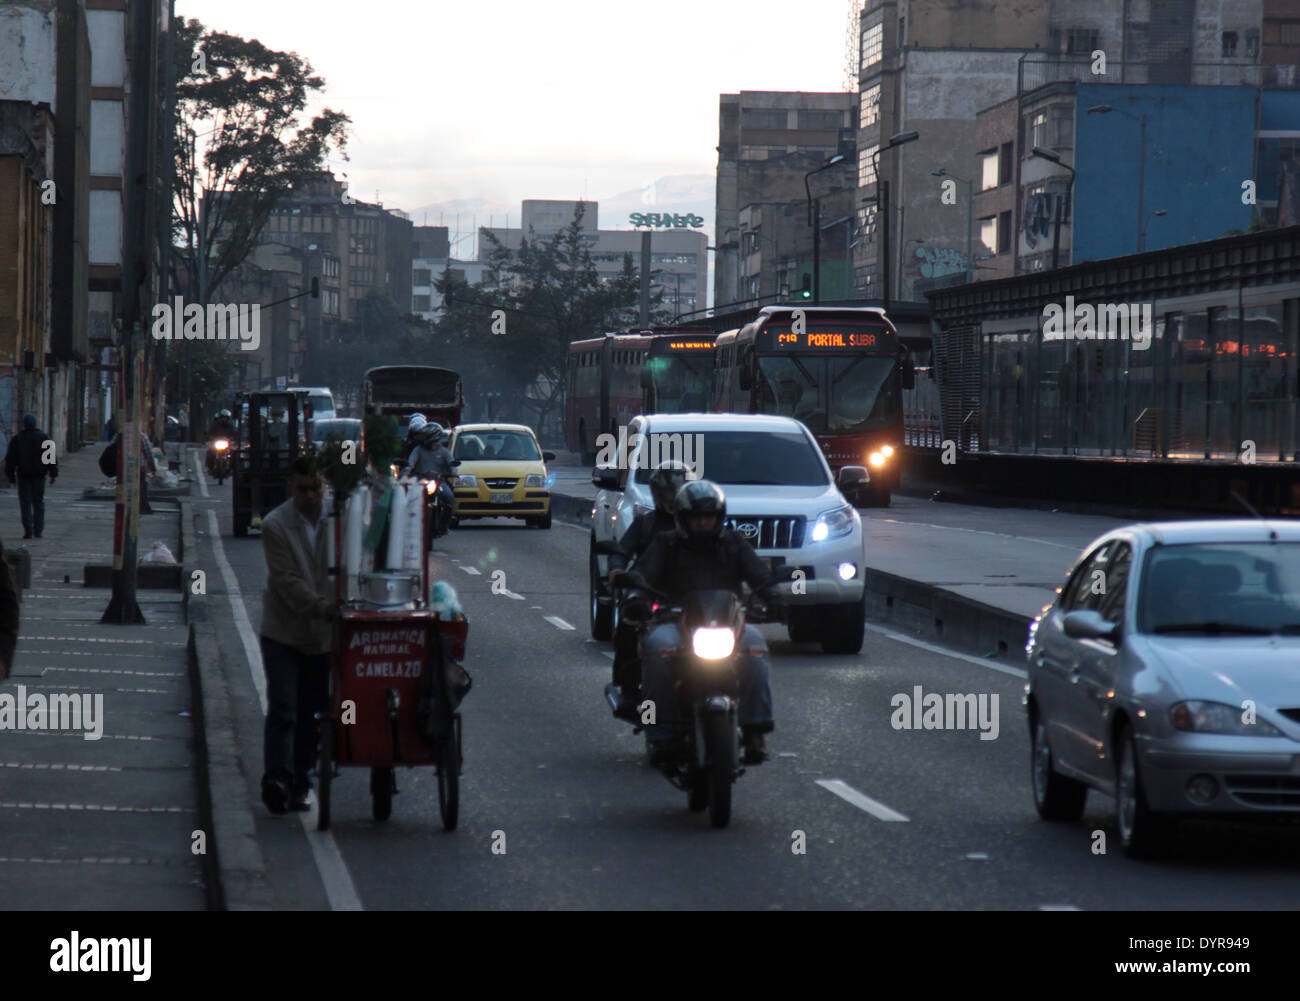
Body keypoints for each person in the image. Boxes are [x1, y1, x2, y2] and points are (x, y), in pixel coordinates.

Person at [634, 479, 779, 765]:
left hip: (727, 625)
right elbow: (644, 574)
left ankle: (755, 729)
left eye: (709, 517)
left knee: (756, 648)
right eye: (696, 517)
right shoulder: (667, 543)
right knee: (656, 648)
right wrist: (635, 595)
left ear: (719, 517)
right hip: (676, 622)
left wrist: (775, 598)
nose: (703, 523)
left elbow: (759, 575)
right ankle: (659, 732)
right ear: (683, 518)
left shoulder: (733, 543)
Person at [259, 456, 335, 814]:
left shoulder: (339, 516)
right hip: (283, 632)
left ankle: (300, 782)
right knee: (285, 706)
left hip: (322, 637)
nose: (310, 495)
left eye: (315, 488)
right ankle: (277, 779)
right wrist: (324, 606)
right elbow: (286, 582)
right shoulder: (275, 524)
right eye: (302, 489)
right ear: (292, 487)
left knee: (313, 712)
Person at [606, 460, 691, 719]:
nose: (673, 498)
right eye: (668, 492)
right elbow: (622, 550)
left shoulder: (701, 523)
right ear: (657, 493)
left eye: (679, 491)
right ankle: (630, 689)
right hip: (651, 589)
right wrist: (618, 569)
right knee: (630, 618)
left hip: (695, 593)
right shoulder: (646, 524)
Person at [4, 414, 58, 539]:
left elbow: (11, 460)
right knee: (38, 502)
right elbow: (50, 459)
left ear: (24, 424)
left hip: (23, 475)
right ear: (35, 424)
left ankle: (28, 530)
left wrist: (11, 476)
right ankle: (38, 530)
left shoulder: (17, 439)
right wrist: (53, 474)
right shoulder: (45, 438)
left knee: (25, 503)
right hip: (39, 475)